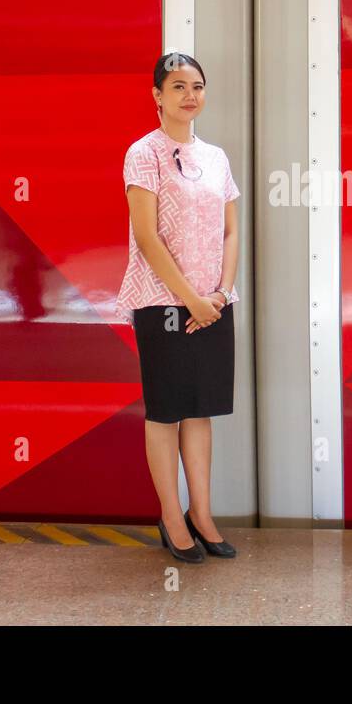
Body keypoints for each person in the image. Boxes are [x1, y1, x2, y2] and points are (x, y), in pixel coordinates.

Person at [117, 51, 240, 563]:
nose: (190, 95)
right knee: (166, 412)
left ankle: (203, 514)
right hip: (162, 302)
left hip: (212, 303)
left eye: (197, 86)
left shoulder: (216, 157)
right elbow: (145, 235)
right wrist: (191, 298)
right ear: (157, 95)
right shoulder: (142, 153)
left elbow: (232, 230)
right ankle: (172, 516)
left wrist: (219, 293)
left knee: (200, 411)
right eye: (178, 86)